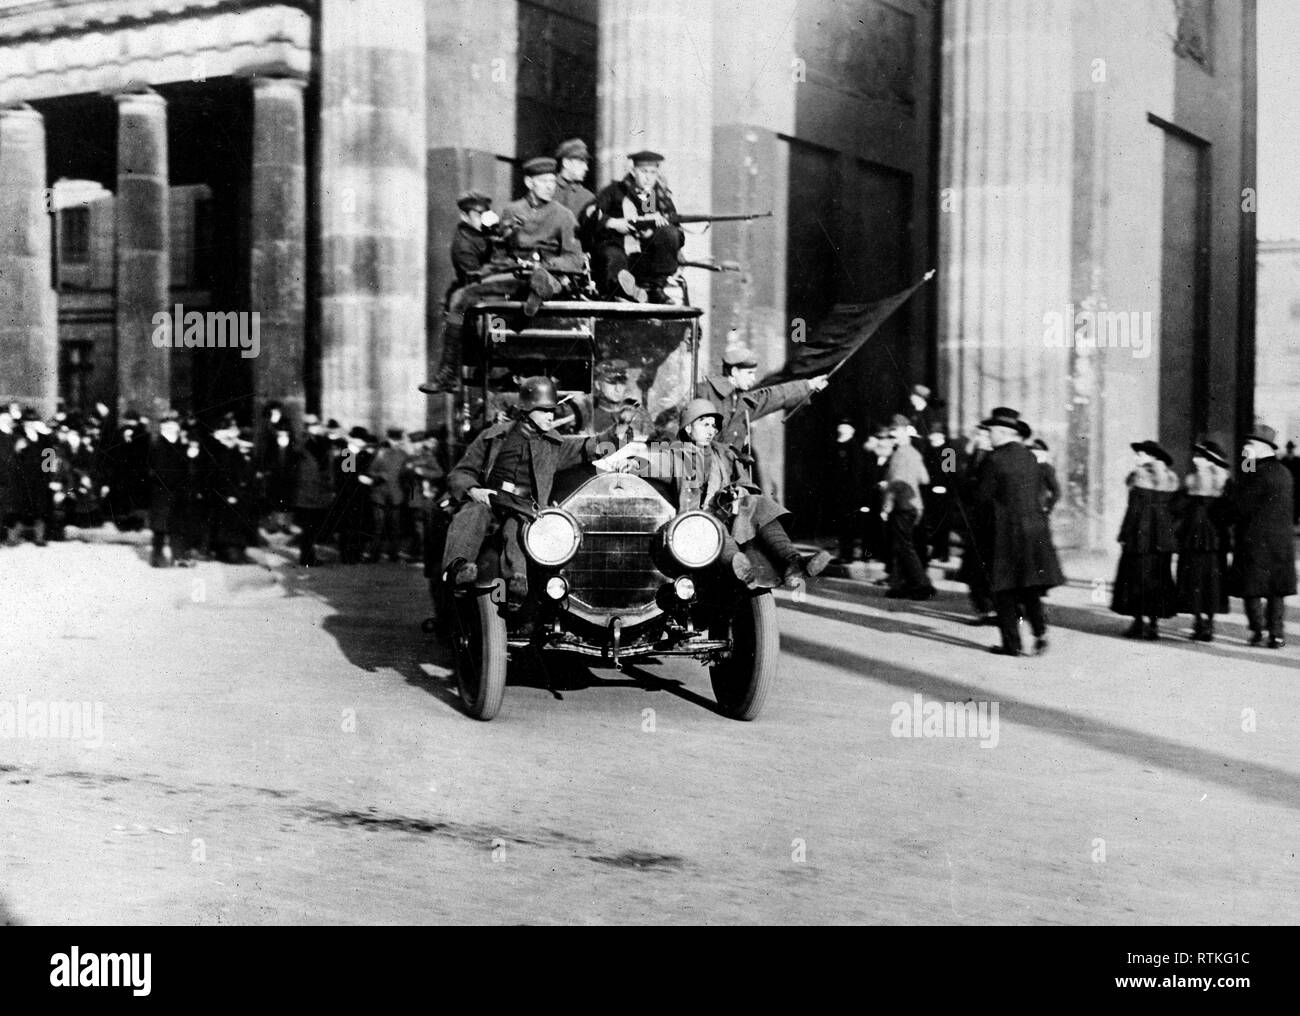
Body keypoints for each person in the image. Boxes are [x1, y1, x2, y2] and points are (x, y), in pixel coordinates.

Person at [615, 399, 829, 589]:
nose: (711, 430)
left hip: (728, 516)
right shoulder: (677, 455)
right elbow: (656, 463)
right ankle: (744, 570)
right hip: (694, 526)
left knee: (758, 503)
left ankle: (794, 563)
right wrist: (634, 463)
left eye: (713, 425)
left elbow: (744, 481)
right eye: (704, 424)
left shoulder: (724, 453)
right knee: (713, 525)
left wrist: (742, 491)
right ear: (689, 429)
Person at [441, 376, 615, 600]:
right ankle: (458, 569)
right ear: (526, 409)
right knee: (472, 513)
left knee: (519, 527)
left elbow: (590, 447)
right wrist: (474, 490)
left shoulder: (553, 446)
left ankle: (518, 583)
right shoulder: (493, 436)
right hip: (489, 501)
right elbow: (460, 472)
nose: (550, 416)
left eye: (552, 410)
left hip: (524, 509)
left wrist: (618, 433)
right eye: (543, 410)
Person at [420, 160, 585, 393]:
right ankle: (448, 373)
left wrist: (545, 263)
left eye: (552, 181)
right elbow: (499, 255)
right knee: (459, 297)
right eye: (544, 181)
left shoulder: (564, 216)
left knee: (544, 278)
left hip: (551, 273)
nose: (550, 186)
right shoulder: (511, 211)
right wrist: (485, 273)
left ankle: (539, 287)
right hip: (515, 275)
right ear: (529, 182)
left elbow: (575, 259)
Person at [976, 408, 1065, 655]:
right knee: (1028, 586)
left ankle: (1011, 644)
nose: (989, 435)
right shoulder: (1029, 457)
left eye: (991, 431)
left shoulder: (993, 460)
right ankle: (1040, 633)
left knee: (1003, 588)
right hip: (1033, 531)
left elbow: (982, 498)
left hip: (1004, 532)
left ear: (1003, 432)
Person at [696, 347, 829, 479]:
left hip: (726, 475)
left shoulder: (743, 400)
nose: (753, 379)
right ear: (735, 371)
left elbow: (774, 395)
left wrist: (809, 385)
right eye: (749, 373)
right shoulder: (703, 392)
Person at [1229, 424, 1296, 648]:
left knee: (1252, 588)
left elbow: (1241, 503)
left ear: (1263, 447)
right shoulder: (1284, 472)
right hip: (1281, 541)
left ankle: (1257, 631)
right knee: (1276, 590)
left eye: (1251, 444)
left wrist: (1246, 463)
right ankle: (1276, 634)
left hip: (1254, 539)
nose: (1246, 447)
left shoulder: (1254, 472)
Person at [590, 150, 685, 302]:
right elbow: (590, 214)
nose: (648, 177)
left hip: (646, 259)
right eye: (644, 171)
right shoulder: (615, 191)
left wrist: (657, 230)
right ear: (633, 172)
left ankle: (655, 288)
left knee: (669, 232)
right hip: (619, 250)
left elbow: (677, 235)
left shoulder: (660, 198)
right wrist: (613, 222)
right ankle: (622, 292)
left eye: (653, 172)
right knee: (613, 259)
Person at [1110, 440, 1180, 639]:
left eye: (1140, 455)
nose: (1136, 458)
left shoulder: (1138, 479)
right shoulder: (1170, 479)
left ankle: (1138, 622)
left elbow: (1133, 512)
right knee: (1159, 577)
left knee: (1136, 578)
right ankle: (1154, 624)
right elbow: (1176, 512)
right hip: (1161, 539)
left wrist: (1124, 534)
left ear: (1151, 457)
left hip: (1140, 537)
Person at [1173, 440, 1232, 641]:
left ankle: (1209, 622)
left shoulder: (1224, 483)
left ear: (1210, 461)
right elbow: (1177, 507)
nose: (1195, 460)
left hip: (1213, 540)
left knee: (1212, 581)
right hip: (1193, 539)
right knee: (1193, 580)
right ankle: (1199, 620)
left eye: (1200, 457)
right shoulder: (1191, 481)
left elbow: (1231, 512)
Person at [881, 414, 934, 599]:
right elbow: (925, 478)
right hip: (915, 505)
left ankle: (922, 585)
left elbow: (894, 484)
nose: (892, 435)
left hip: (901, 506)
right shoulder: (915, 453)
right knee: (903, 545)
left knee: (903, 547)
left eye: (895, 431)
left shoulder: (899, 454)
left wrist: (886, 507)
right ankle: (900, 585)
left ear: (904, 432)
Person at [955, 424, 996, 623]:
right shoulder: (974, 455)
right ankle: (984, 609)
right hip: (973, 517)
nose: (979, 438)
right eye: (977, 434)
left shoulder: (993, 458)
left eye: (983, 435)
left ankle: (989, 609)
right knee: (975, 568)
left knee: (981, 568)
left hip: (986, 521)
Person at [146, 411, 192, 567]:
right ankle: (157, 556)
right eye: (167, 426)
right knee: (160, 527)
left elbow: (187, 467)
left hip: (179, 490)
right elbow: (153, 468)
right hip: (161, 491)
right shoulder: (157, 445)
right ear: (162, 428)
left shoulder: (182, 444)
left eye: (173, 426)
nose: (171, 429)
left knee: (178, 525)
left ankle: (178, 555)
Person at [292, 414, 335, 567]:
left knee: (314, 527)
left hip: (321, 491)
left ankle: (310, 555)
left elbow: (328, 465)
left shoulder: (323, 442)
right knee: (308, 528)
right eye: (311, 425)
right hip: (307, 492)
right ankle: (306, 557)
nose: (315, 427)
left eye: (316, 424)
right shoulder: (302, 443)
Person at [367, 427, 410, 563]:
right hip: (380, 495)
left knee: (394, 527)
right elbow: (371, 471)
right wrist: (380, 475)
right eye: (394, 440)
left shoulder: (403, 455)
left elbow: (406, 475)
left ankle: (393, 554)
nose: (396, 443)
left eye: (398, 441)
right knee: (379, 527)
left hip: (395, 495)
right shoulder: (381, 453)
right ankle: (375, 554)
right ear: (389, 440)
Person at [829, 418, 869, 563]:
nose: (841, 428)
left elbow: (856, 473)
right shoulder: (836, 445)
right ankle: (843, 553)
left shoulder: (853, 447)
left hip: (850, 493)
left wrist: (853, 492)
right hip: (839, 492)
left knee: (848, 524)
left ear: (851, 430)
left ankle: (848, 554)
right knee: (841, 523)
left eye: (845, 426)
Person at [553, 137, 596, 223]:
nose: (586, 168)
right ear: (566, 163)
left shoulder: (588, 197)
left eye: (586, 163)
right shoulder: (547, 189)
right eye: (581, 162)